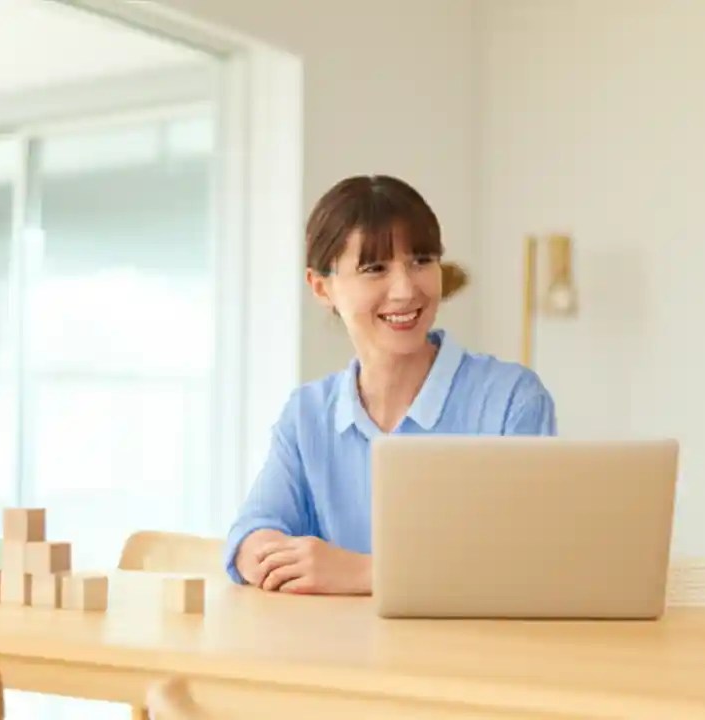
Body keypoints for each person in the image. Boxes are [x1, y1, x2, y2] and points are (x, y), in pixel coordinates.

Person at [222, 174, 557, 595]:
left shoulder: (511, 399)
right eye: (374, 268)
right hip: (332, 657)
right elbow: (252, 531)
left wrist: (363, 573)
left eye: (421, 260)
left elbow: (530, 561)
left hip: (470, 656)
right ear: (321, 287)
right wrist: (268, 552)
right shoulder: (307, 413)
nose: (405, 290)